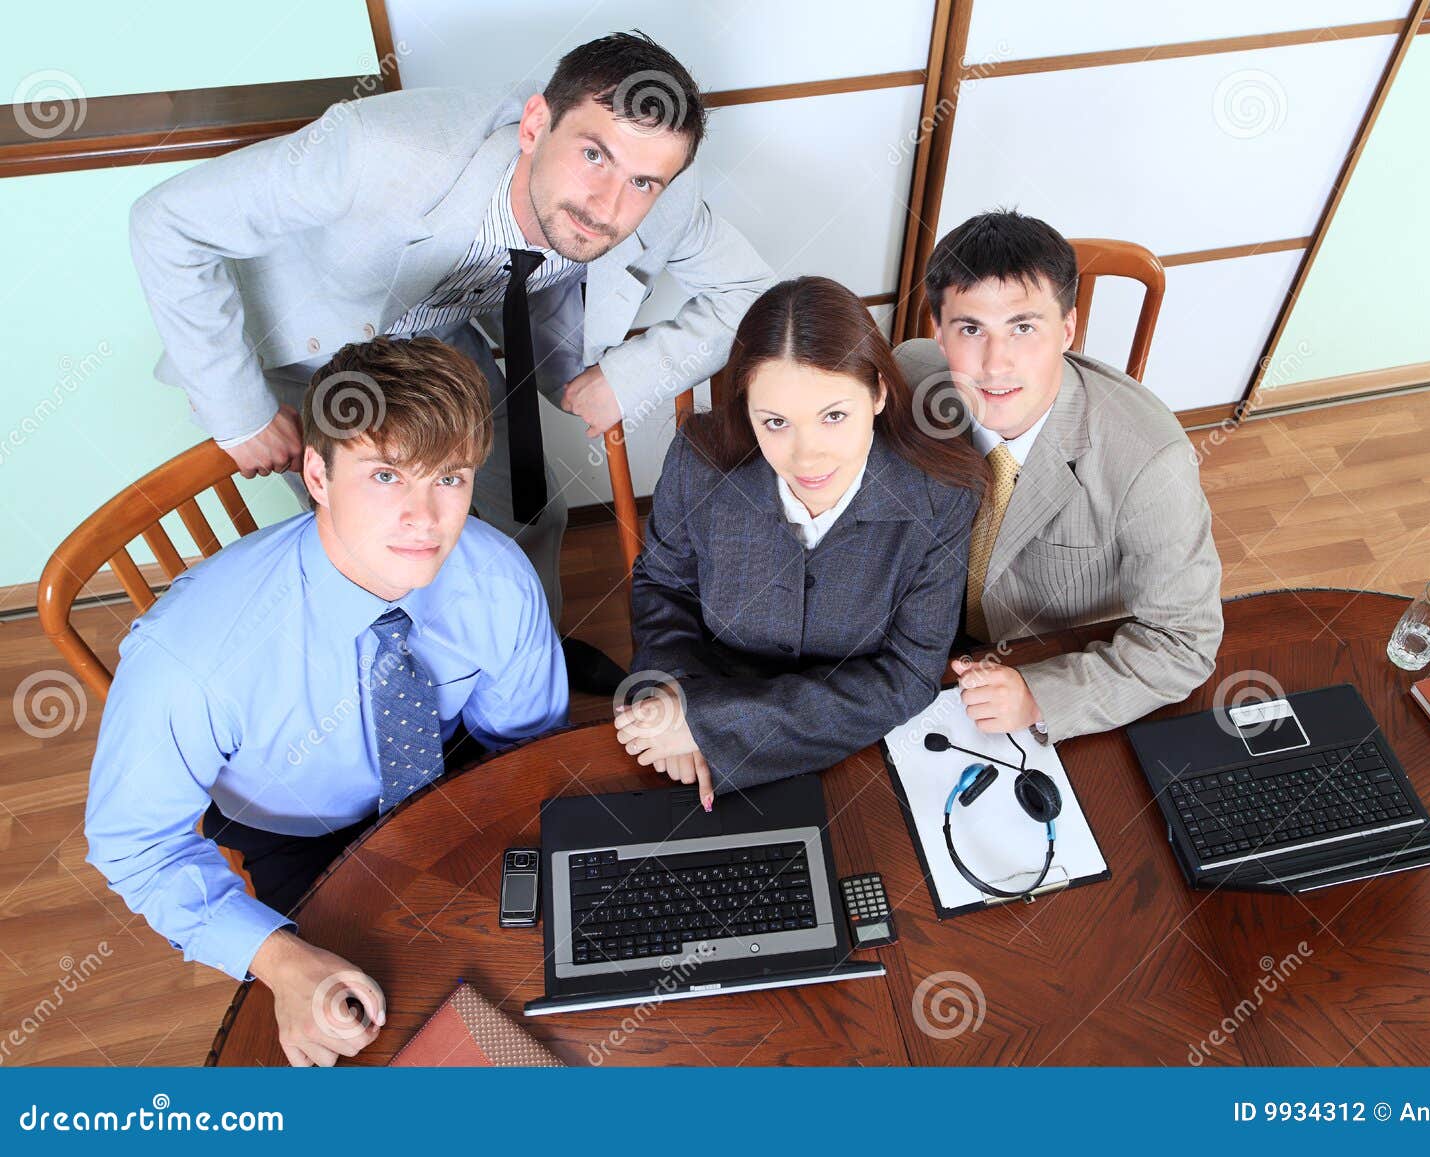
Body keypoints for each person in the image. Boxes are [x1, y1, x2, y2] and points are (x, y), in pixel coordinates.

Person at [128, 31, 776, 695]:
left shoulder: (664, 198)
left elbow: (751, 292)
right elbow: (165, 222)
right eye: (592, 155)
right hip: (310, 351)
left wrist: (627, 376)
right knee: (398, 544)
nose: (608, 204)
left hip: (437, 336)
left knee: (530, 517)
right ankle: (427, 707)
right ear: (533, 125)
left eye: (642, 181)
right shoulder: (375, 151)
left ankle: (527, 663)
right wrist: (240, 413)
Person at [85, 337, 567, 1067]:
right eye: (384, 475)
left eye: (449, 478)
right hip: (299, 835)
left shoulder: (495, 577)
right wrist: (278, 959)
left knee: (550, 995)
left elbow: (524, 753)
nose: (424, 518)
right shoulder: (191, 657)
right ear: (317, 471)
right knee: (375, 1039)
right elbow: (135, 845)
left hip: (454, 779)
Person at [613, 277, 986, 805]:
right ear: (745, 409)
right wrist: (674, 695)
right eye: (775, 422)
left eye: (834, 415)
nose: (807, 457)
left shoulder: (941, 494)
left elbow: (908, 674)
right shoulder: (698, 463)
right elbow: (664, 588)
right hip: (695, 744)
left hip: (860, 746)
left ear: (878, 392)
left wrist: (711, 724)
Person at [894, 210, 1223, 739]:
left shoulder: (1149, 461)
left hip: (1047, 662)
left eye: (1023, 327)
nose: (995, 364)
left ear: (1068, 329)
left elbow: (1184, 641)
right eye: (971, 328)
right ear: (938, 333)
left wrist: (1037, 696)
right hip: (918, 652)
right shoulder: (911, 377)